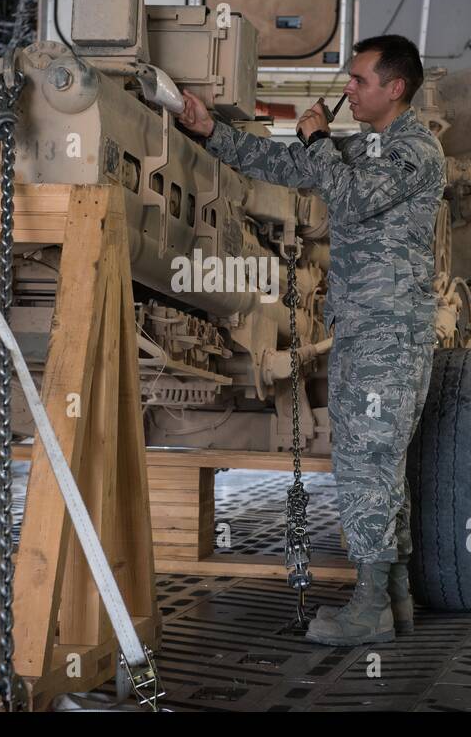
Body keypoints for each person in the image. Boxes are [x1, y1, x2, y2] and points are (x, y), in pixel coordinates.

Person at [175, 34, 443, 646]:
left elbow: (345, 200)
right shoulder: (367, 147)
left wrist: (319, 139)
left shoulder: (415, 151)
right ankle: (394, 601)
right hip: (368, 331)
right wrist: (207, 129)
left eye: (359, 80)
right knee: (380, 467)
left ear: (395, 88)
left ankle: (369, 610)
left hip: (387, 337)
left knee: (365, 465)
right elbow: (283, 166)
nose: (348, 89)